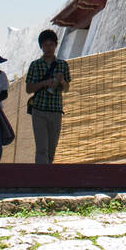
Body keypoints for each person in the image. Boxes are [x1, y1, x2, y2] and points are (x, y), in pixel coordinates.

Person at [25, 30, 71, 164]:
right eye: (45, 45)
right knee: (42, 149)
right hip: (39, 110)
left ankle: (46, 176)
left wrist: (61, 81)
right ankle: (40, 179)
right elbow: (28, 89)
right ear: (41, 46)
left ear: (56, 45)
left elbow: (67, 89)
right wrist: (44, 83)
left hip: (56, 110)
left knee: (51, 149)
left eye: (51, 44)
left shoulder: (63, 65)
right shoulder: (35, 65)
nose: (48, 48)